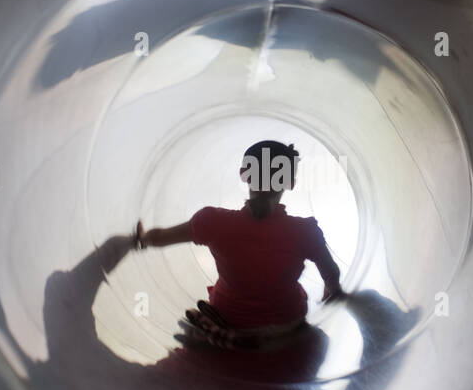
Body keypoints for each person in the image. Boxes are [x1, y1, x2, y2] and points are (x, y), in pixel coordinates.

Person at [133, 140, 342, 350]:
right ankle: (260, 340)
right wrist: (329, 292)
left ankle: (223, 336)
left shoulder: (213, 221)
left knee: (204, 316)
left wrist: (143, 238)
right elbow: (332, 274)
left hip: (229, 319)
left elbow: (160, 238)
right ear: (290, 183)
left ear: (244, 174)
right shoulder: (306, 231)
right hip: (288, 323)